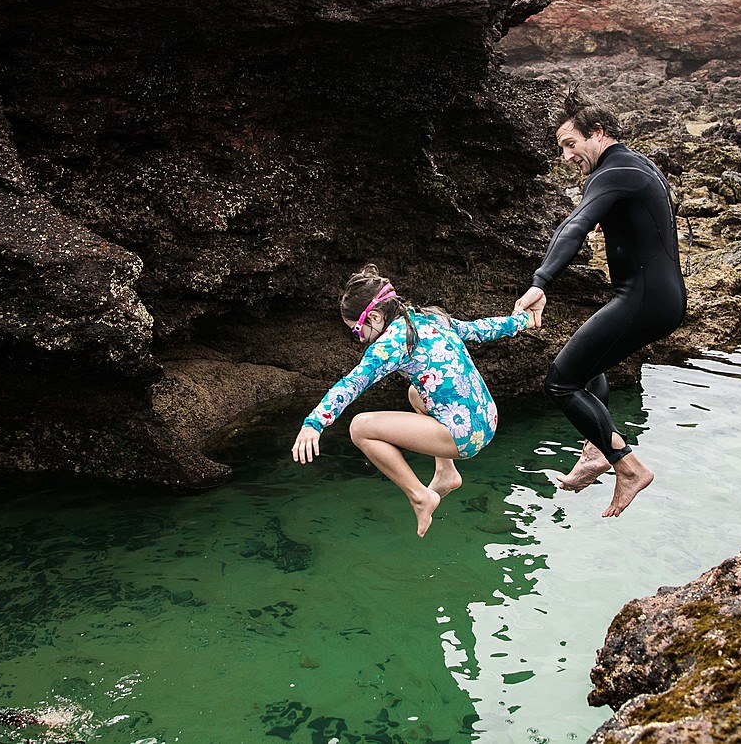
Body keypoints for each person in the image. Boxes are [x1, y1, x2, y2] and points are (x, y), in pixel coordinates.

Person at [514, 87, 686, 517]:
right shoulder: (637, 165)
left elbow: (572, 227)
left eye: (571, 144)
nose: (568, 157)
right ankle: (595, 449)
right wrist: (614, 225)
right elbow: (648, 216)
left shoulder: (610, 174)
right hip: (657, 297)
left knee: (561, 381)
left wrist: (542, 281)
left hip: (645, 299)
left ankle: (626, 466)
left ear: (597, 131)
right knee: (589, 368)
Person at [292, 264, 534, 537]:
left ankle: (420, 496)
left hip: (465, 436)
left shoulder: (392, 343)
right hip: (488, 418)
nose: (358, 339)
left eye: (357, 331)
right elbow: (480, 329)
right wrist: (524, 320)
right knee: (415, 392)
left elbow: (353, 382)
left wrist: (314, 423)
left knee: (360, 428)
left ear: (373, 317)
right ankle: (446, 472)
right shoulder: (429, 317)